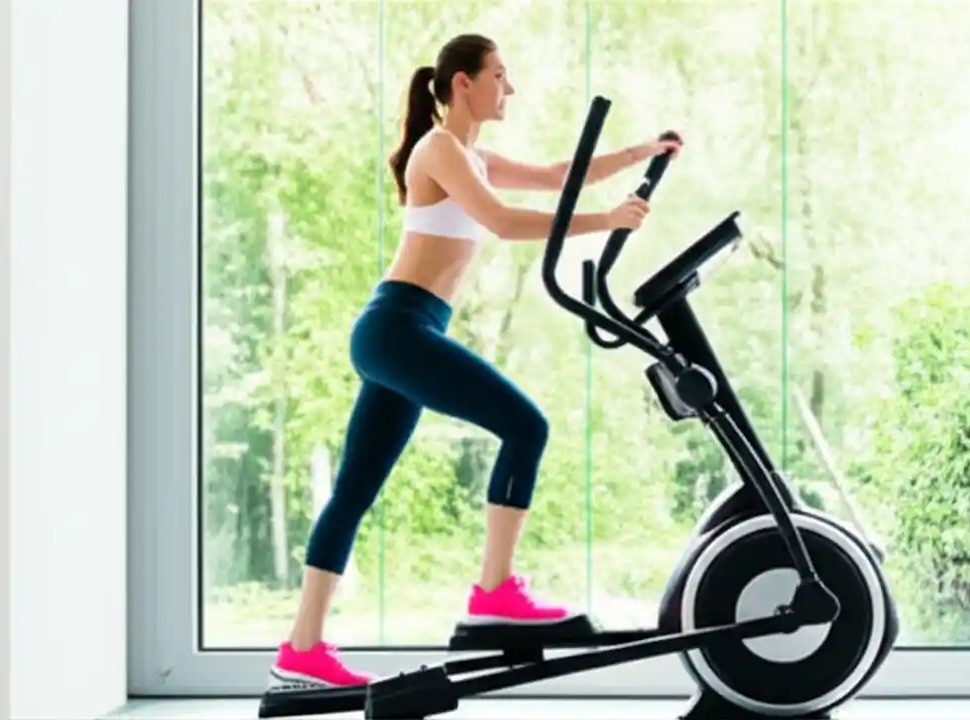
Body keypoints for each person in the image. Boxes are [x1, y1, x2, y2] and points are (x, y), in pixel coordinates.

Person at [268, 33, 683, 691]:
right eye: (499, 75)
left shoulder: (471, 156)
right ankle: (494, 592)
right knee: (527, 427)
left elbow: (555, 177)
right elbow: (500, 221)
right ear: (462, 83)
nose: (508, 88)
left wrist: (642, 153)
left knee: (353, 491)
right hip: (398, 327)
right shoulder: (439, 149)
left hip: (407, 330)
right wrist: (605, 220)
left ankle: (302, 648)